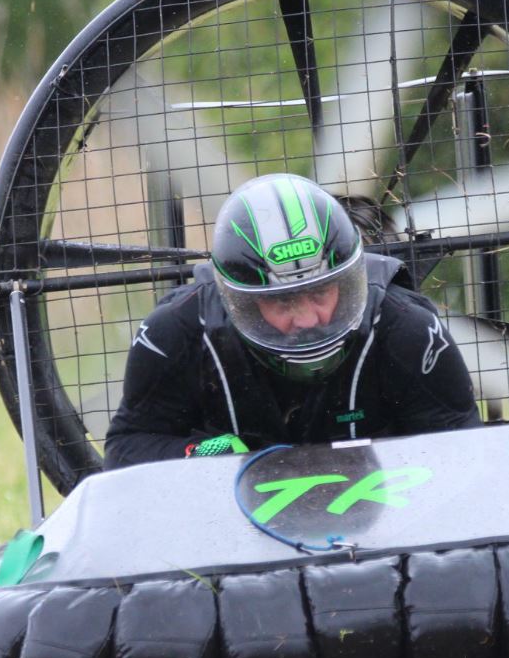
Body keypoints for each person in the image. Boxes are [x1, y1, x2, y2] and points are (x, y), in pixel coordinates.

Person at [103, 173, 481, 469]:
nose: (307, 319)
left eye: (320, 293)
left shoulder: (407, 329)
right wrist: (198, 454)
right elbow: (126, 448)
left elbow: (461, 454)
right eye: (283, 301)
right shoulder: (176, 332)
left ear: (349, 280)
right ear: (242, 301)